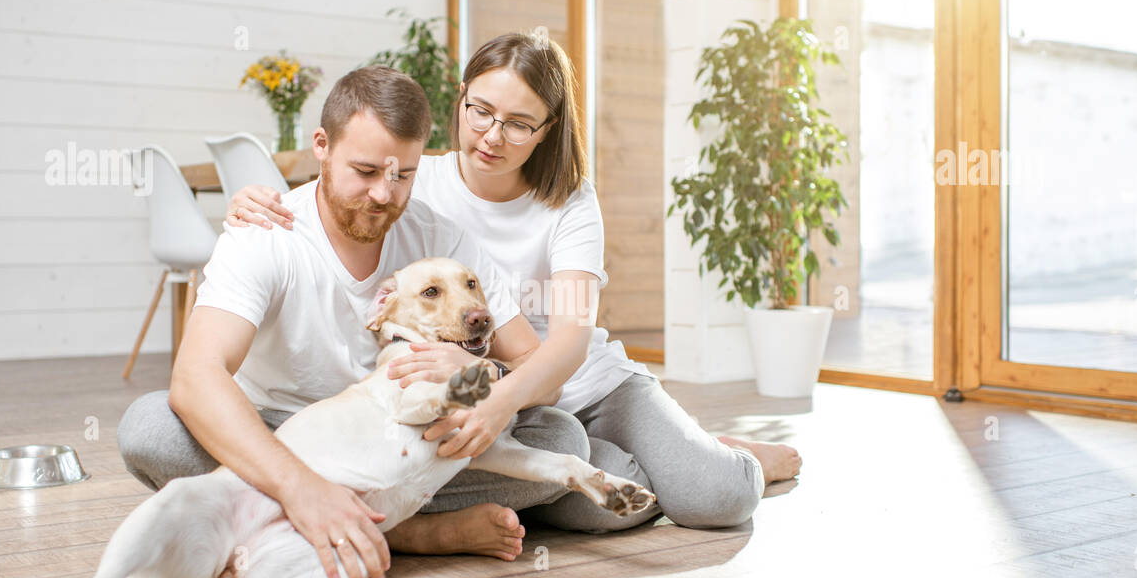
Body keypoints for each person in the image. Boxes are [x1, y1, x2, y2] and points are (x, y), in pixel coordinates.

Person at [226, 33, 802, 540]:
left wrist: (496, 392)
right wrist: (261, 199)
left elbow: (571, 341)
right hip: (501, 403)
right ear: (461, 97)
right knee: (596, 513)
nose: (492, 136)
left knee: (716, 498)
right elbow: (345, 184)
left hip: (580, 385)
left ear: (549, 129)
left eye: (520, 124)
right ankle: (665, 459)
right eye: (480, 111)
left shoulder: (571, 201)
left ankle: (730, 455)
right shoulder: (413, 178)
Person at [117, 65, 604, 578]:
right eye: (366, 171)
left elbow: (541, 375)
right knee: (150, 427)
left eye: (403, 176)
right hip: (285, 432)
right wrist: (302, 487)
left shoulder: (443, 238)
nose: (383, 195)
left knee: (557, 434)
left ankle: (355, 522)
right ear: (321, 146)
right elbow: (195, 377)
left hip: (400, 438)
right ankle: (408, 532)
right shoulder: (268, 231)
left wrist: (483, 371)